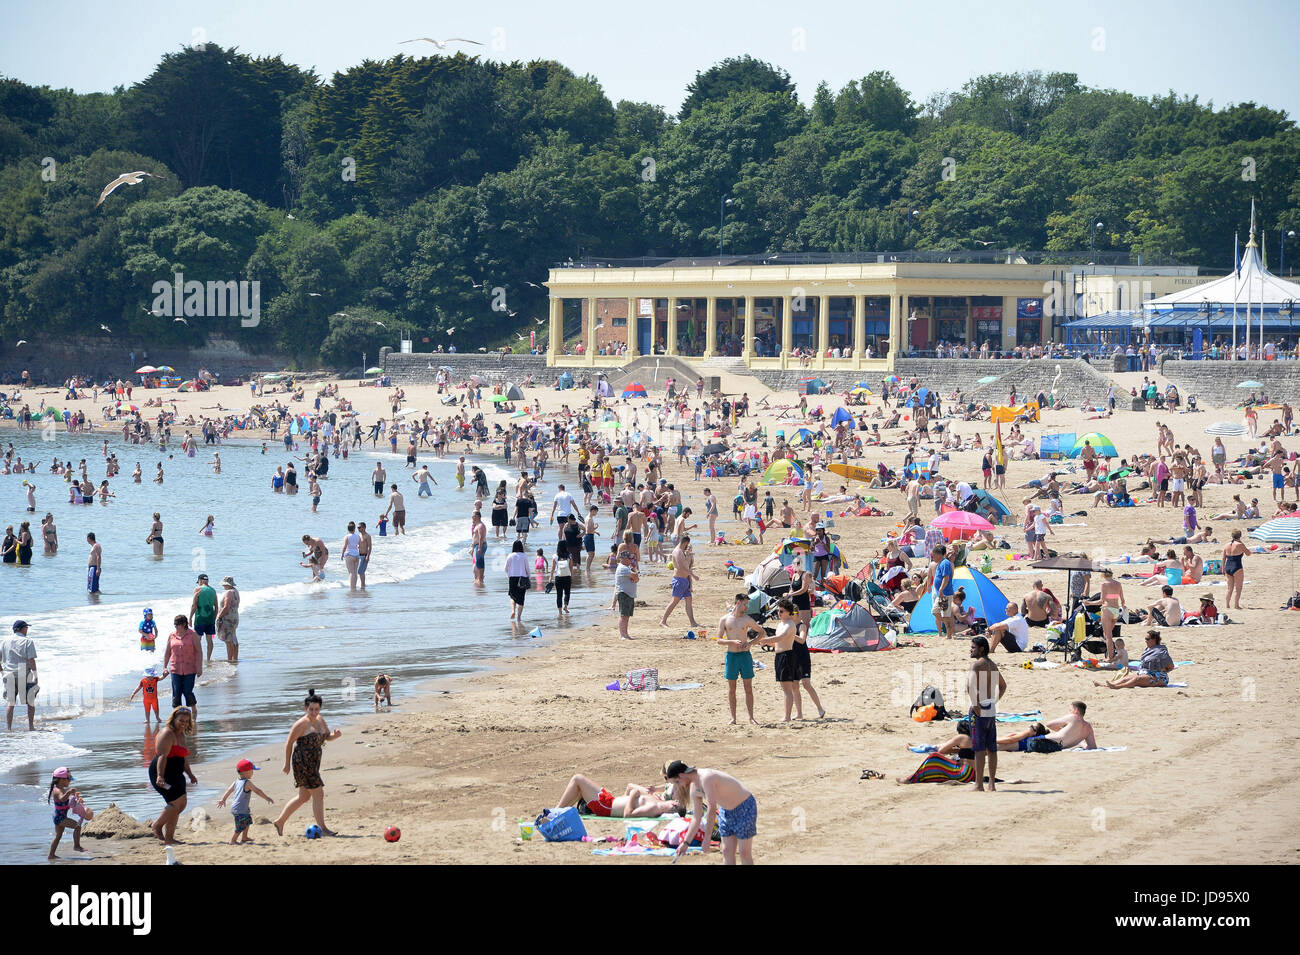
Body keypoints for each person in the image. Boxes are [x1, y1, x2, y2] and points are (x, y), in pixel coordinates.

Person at [273, 688, 343, 837]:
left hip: (314, 761)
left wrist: (335, 736)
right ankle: (323, 828)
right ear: (305, 708)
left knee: (304, 797)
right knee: (319, 794)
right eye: (311, 709)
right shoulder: (301, 724)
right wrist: (286, 764)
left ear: (320, 708)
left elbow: (326, 737)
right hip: (302, 762)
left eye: (316, 709)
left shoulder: (320, 720)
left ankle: (279, 821)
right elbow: (289, 743)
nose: (313, 712)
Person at [663, 761, 756, 864]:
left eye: (677, 782)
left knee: (744, 853)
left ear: (681, 775)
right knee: (726, 851)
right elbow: (696, 817)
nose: (679, 785)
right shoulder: (694, 788)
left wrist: (707, 838)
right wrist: (685, 843)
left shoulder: (706, 777)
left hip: (744, 808)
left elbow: (712, 808)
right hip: (726, 812)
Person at [149, 706, 197, 845]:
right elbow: (162, 757)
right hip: (163, 772)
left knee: (181, 804)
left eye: (187, 721)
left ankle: (169, 838)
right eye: (181, 720)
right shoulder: (167, 734)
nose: (184, 723)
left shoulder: (181, 734)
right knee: (175, 803)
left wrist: (190, 774)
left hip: (177, 772)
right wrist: (160, 776)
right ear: (174, 719)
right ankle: (157, 825)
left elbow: (183, 758)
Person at [967, 636, 1006, 792]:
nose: (970, 650)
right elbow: (1003, 686)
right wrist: (995, 701)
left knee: (979, 748)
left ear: (981, 648)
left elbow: (969, 687)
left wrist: (976, 705)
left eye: (973, 647)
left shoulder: (977, 665)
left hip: (979, 709)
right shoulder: (992, 665)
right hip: (990, 707)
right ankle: (992, 784)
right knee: (992, 748)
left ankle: (978, 784)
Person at [717, 593, 763, 725]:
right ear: (738, 603)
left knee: (748, 687)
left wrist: (751, 643)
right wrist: (731, 642)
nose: (746, 607)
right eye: (745, 604)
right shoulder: (725, 619)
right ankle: (733, 718)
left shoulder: (747, 619)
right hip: (731, 656)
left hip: (744, 655)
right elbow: (718, 640)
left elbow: (762, 632)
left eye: (747, 604)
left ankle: (751, 717)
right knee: (732, 689)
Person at [554, 775, 680, 818]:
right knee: (579, 789)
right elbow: (630, 786)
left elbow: (628, 815)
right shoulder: (655, 799)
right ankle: (557, 812)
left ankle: (555, 812)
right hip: (611, 801)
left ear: (673, 804)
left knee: (578, 779)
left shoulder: (654, 807)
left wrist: (632, 796)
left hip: (607, 806)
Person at [216, 758, 274, 845]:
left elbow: (229, 790)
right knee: (240, 826)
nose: (253, 773)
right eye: (252, 771)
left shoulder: (236, 781)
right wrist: (266, 798)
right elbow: (257, 791)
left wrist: (223, 799)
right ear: (246, 772)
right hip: (240, 809)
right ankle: (233, 840)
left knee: (247, 822)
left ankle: (244, 837)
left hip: (240, 808)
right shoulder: (247, 783)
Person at [1097, 630, 1176, 689]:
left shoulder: (1161, 651)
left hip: (1159, 677)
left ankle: (1116, 687)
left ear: (1154, 640)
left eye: (1147, 639)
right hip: (1146, 673)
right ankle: (1106, 685)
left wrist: (1161, 669)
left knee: (1136, 679)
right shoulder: (1148, 649)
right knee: (1127, 677)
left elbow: (1171, 666)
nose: (1145, 640)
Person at [161, 614, 202, 718]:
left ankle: (193, 710)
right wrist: (165, 667)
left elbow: (199, 651)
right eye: (175, 625)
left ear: (184, 624)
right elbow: (167, 653)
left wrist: (199, 667)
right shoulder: (172, 636)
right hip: (175, 669)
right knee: (177, 692)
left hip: (190, 669)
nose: (176, 627)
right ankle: (177, 716)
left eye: (177, 625)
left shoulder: (192, 634)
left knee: (187, 691)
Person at [2, 620, 37, 731]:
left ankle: (9, 729)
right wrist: (35, 674)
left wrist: (2, 672)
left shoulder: (4, 642)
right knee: (30, 701)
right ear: (23, 628)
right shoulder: (28, 641)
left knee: (10, 703)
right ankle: (31, 727)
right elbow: (31, 659)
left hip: (8, 673)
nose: (27, 630)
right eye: (26, 628)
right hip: (23, 672)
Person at [660, 534, 700, 628]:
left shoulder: (682, 552)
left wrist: (690, 581)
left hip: (685, 580)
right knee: (675, 601)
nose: (687, 546)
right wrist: (693, 575)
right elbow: (681, 567)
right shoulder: (677, 552)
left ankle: (692, 622)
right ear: (685, 542)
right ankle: (663, 621)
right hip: (679, 580)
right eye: (687, 544)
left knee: (689, 600)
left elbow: (686, 566)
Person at [47, 768, 86, 859]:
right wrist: (69, 792)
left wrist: (77, 799)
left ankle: (51, 855)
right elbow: (62, 799)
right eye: (69, 779)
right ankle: (76, 846)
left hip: (59, 816)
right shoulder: (57, 791)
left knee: (58, 836)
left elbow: (70, 802)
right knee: (77, 826)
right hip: (60, 818)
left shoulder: (62, 789)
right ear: (62, 780)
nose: (70, 782)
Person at [926, 543, 955, 639]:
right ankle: (949, 629)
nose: (932, 557)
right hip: (941, 593)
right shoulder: (940, 563)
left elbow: (945, 578)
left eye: (933, 555)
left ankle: (949, 634)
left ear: (938, 554)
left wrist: (941, 590)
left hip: (945, 593)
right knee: (935, 611)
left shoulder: (945, 563)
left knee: (945, 614)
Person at [191, 573, 219, 662]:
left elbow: (194, 605)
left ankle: (197, 659)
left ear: (200, 580)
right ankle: (208, 659)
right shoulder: (213, 590)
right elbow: (216, 607)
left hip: (200, 618)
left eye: (198, 581)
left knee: (197, 639)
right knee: (209, 640)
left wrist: (190, 617)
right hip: (210, 618)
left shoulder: (197, 589)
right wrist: (214, 619)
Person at [614, 548, 639, 639]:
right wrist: (634, 574)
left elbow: (636, 579)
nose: (630, 560)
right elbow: (635, 577)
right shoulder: (623, 568)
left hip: (629, 594)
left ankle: (626, 634)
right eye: (629, 559)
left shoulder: (627, 568)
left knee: (627, 615)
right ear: (623, 559)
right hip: (624, 593)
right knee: (624, 615)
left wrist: (634, 575)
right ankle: (622, 635)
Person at [505, 539, 530, 622]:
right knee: (521, 598)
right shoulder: (524, 556)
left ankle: (513, 611)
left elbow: (506, 568)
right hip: (522, 578)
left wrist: (509, 576)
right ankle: (519, 617)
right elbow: (527, 569)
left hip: (512, 578)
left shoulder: (510, 555)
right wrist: (528, 577)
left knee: (512, 596)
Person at [217, 576, 240, 662]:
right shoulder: (236, 591)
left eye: (224, 585)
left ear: (227, 584)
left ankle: (230, 660)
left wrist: (219, 617)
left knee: (228, 640)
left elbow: (226, 607)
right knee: (233, 638)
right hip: (234, 617)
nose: (223, 586)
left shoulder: (228, 593)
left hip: (228, 619)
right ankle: (235, 659)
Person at [1223, 528, 1247, 611]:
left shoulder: (1226, 545)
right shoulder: (1239, 545)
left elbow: (1223, 558)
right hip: (1237, 567)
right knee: (1238, 588)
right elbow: (1248, 553)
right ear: (1240, 536)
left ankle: (1227, 605)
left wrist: (1223, 569)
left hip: (1228, 567)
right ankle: (1236, 605)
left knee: (1229, 588)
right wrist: (1242, 543)